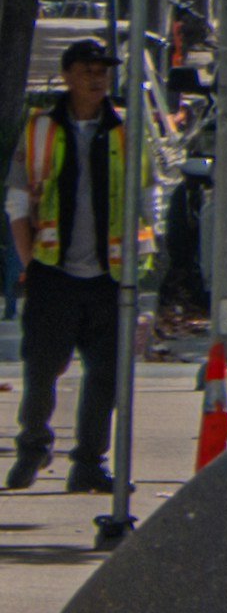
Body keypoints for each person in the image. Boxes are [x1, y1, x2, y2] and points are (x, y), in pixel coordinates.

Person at [9, 41, 129, 491]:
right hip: (53, 275)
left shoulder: (126, 128)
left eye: (102, 71)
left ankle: (88, 464)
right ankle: (33, 446)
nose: (97, 79)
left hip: (109, 277)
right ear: (67, 76)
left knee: (105, 376)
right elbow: (17, 203)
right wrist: (31, 263)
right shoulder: (40, 128)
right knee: (41, 369)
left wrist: (140, 266)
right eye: (87, 70)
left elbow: (145, 196)